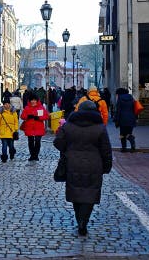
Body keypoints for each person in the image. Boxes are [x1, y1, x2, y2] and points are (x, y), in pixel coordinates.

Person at [54, 100, 112, 236]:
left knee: (76, 192)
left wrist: (67, 149)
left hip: (72, 164)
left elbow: (58, 143)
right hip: (94, 165)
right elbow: (106, 150)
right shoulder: (100, 128)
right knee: (90, 194)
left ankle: (79, 219)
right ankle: (83, 222)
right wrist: (107, 166)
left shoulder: (68, 126)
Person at [114, 87, 144, 153]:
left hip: (122, 119)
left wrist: (116, 120)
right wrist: (135, 118)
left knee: (122, 134)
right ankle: (132, 146)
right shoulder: (131, 98)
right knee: (128, 133)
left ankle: (124, 148)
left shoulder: (120, 99)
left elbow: (118, 111)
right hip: (131, 119)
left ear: (119, 93)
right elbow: (135, 109)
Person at [20, 94, 49, 161]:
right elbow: (22, 116)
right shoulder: (27, 108)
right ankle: (32, 155)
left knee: (38, 141)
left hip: (38, 128)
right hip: (29, 128)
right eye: (32, 100)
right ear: (30, 101)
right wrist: (27, 117)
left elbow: (46, 116)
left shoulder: (41, 107)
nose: (33, 101)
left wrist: (39, 118)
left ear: (37, 100)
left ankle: (36, 155)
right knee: (30, 142)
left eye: (34, 100)